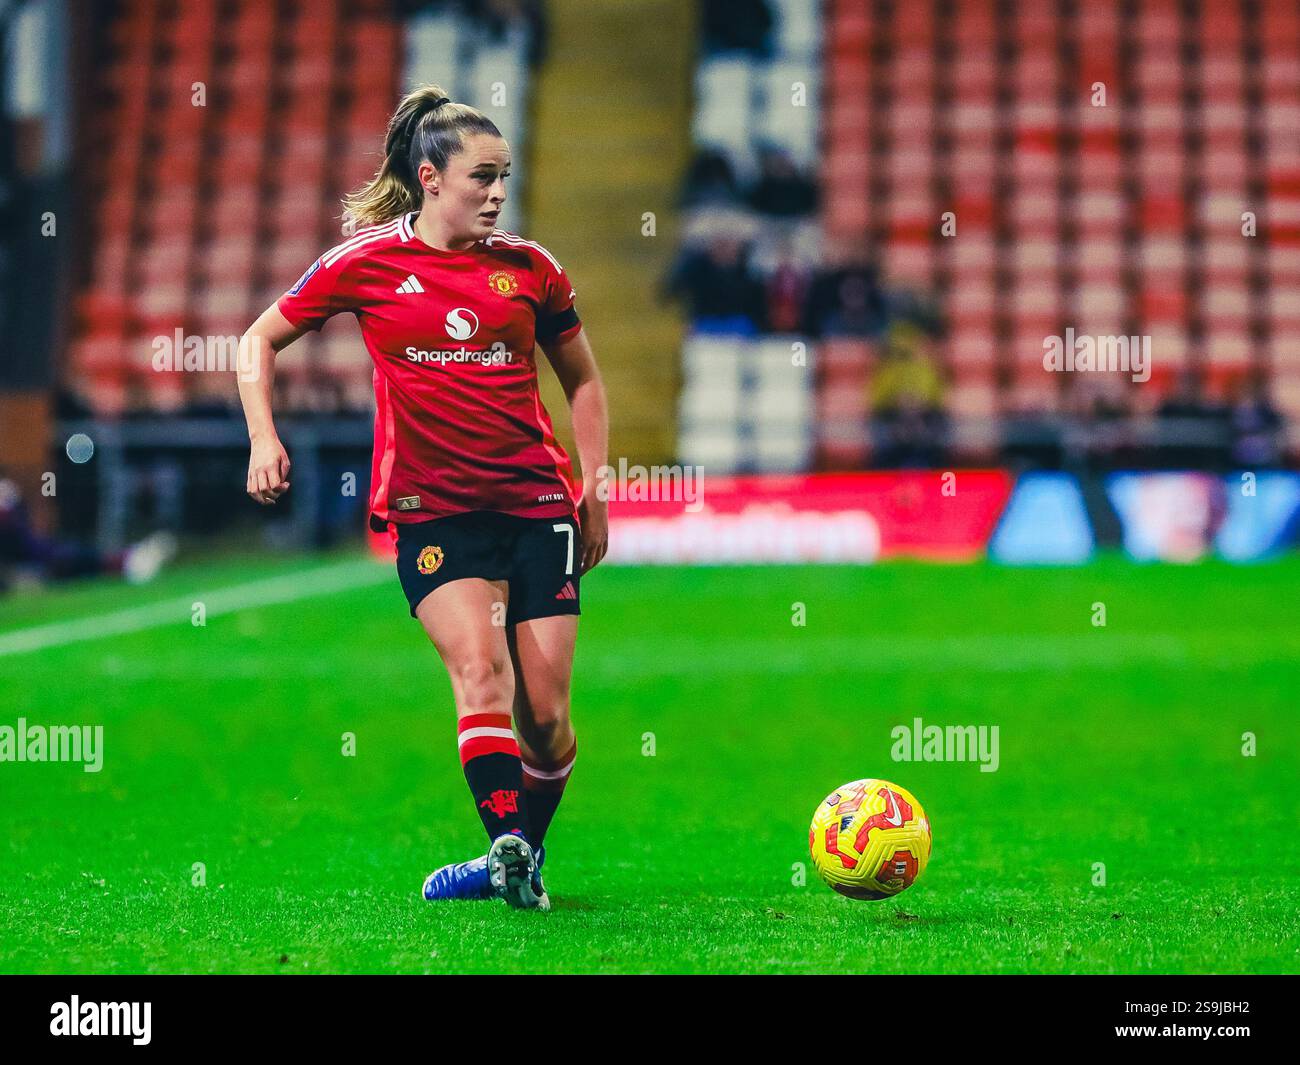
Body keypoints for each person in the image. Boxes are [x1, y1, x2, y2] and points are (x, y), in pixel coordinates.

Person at [234, 85, 609, 911]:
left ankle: (518, 857)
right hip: (430, 511)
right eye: (482, 177)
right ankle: (508, 847)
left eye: (504, 178)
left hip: (535, 502)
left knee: (545, 719)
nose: (497, 194)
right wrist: (264, 435)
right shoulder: (365, 263)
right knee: (481, 672)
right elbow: (258, 337)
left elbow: (581, 378)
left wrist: (594, 482)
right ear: (431, 177)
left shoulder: (532, 268)